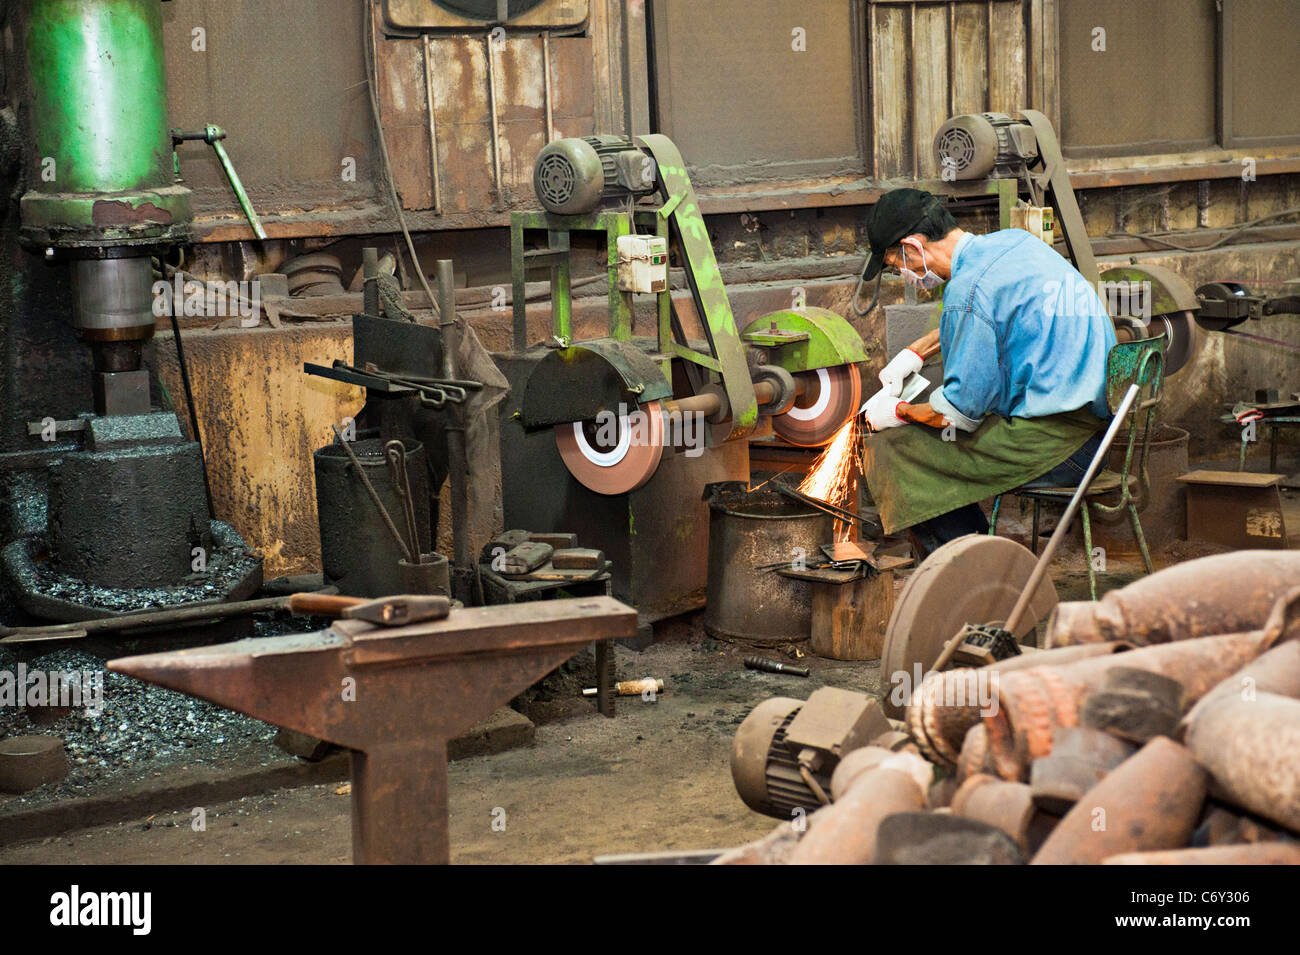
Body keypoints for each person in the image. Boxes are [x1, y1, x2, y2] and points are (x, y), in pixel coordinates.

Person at [857, 188, 1117, 558]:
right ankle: (978, 556)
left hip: (1064, 450)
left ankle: (972, 570)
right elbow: (994, 315)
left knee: (892, 453)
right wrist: (916, 352)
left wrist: (897, 413)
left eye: (898, 265)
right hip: (1099, 434)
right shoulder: (1014, 244)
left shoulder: (967, 291)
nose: (906, 275)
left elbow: (957, 414)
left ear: (913, 247)